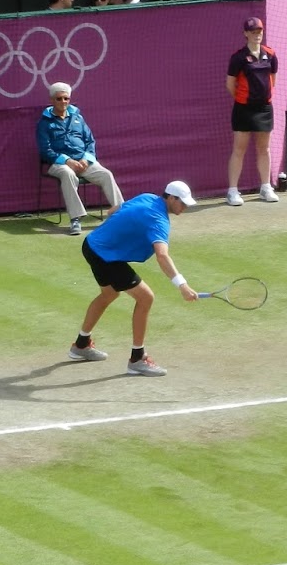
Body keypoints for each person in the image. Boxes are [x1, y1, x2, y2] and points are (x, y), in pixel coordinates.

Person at [66, 182, 199, 377]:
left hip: (92, 244)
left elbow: (113, 211)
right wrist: (182, 285)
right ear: (171, 198)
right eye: (183, 203)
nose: (185, 208)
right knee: (146, 297)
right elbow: (162, 256)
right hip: (105, 256)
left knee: (109, 294)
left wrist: (116, 234)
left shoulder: (146, 197)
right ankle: (137, 359)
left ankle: (81, 344)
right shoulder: (158, 220)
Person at [36, 81, 124, 236]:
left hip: (83, 162)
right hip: (58, 164)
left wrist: (86, 159)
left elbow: (90, 141)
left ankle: (122, 214)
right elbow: (45, 150)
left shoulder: (78, 118)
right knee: (67, 173)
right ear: (52, 100)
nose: (63, 102)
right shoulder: (44, 123)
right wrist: (67, 161)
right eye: (59, 99)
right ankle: (75, 218)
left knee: (106, 174)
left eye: (66, 98)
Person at [226, 16, 280, 206]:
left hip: (264, 108)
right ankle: (232, 191)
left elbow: (273, 79)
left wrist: (262, 97)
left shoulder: (271, 54)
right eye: (253, 32)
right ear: (246, 34)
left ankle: (266, 187)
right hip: (243, 109)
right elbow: (230, 84)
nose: (257, 35)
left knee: (263, 149)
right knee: (239, 149)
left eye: (259, 32)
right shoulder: (238, 57)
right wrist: (243, 99)